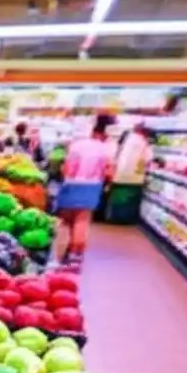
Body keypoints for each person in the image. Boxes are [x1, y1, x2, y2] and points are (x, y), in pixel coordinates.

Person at [56, 113, 116, 264]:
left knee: (66, 221)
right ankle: (75, 255)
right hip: (91, 186)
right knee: (82, 220)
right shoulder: (105, 149)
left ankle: (62, 253)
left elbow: (66, 168)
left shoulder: (76, 145)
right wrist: (107, 183)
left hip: (70, 184)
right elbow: (108, 171)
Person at [105, 125, 153, 224]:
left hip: (120, 175)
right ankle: (126, 219)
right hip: (134, 177)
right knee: (129, 200)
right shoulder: (143, 142)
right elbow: (148, 158)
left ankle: (115, 217)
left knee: (119, 199)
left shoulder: (125, 140)